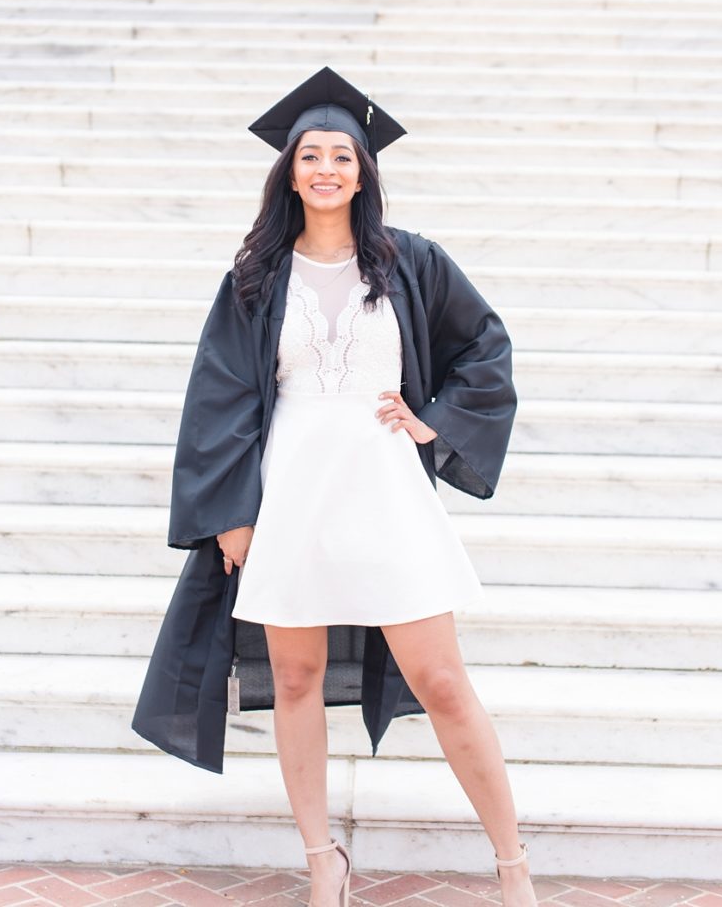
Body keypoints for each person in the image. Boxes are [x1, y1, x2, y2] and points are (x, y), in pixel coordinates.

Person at [129, 67, 533, 907]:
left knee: (444, 680)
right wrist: (229, 514)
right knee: (298, 679)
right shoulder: (255, 277)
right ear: (289, 172)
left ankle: (512, 866)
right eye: (309, 155)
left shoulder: (411, 261)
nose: (325, 169)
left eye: (340, 156)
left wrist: (437, 421)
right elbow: (220, 397)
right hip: (290, 489)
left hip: (384, 484)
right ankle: (323, 860)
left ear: (362, 171)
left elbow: (485, 345)